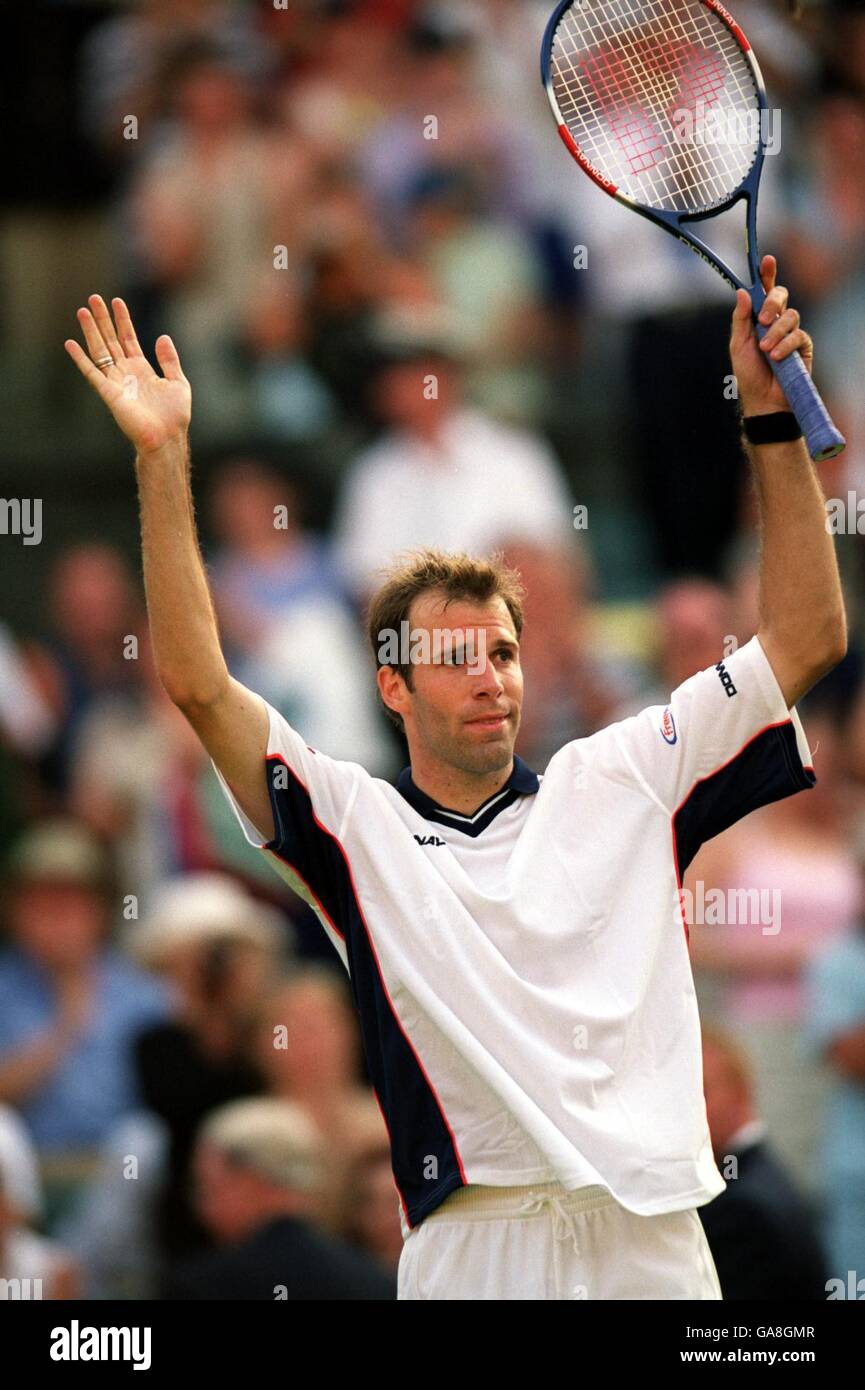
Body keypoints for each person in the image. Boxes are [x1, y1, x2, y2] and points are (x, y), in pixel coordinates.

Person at [64, 260, 847, 1300]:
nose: (488, 677)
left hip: (651, 1236)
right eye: (453, 657)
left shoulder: (622, 771)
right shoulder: (351, 820)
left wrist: (769, 424)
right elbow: (199, 684)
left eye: (504, 653)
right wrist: (163, 458)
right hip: (474, 1250)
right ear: (390, 685)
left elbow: (806, 636)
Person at [163, 1098, 396, 1300]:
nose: (201, 1208)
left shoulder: (203, 1287)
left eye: (209, 1188)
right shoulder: (378, 1282)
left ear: (249, 1180)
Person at [697, 1027, 828, 1300]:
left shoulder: (741, 1207)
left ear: (742, 1092)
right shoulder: (761, 1181)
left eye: (702, 1091)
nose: (689, 1109)